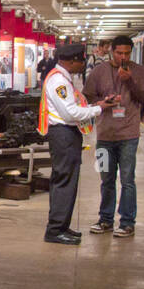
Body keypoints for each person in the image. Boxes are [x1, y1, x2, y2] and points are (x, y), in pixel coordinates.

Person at [39, 42, 119, 245]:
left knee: (68, 181)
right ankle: (55, 230)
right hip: (63, 134)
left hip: (67, 134)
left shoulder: (63, 78)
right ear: (71, 61)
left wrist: (96, 105)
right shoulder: (59, 81)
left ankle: (62, 226)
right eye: (81, 60)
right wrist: (99, 109)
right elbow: (70, 113)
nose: (83, 64)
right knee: (64, 182)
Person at [83, 34, 144, 237]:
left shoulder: (139, 72)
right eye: (119, 53)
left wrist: (130, 82)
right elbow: (87, 97)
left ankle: (127, 222)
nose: (122, 56)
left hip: (129, 136)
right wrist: (103, 101)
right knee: (106, 179)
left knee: (127, 180)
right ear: (111, 52)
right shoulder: (99, 71)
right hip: (105, 135)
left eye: (126, 53)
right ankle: (105, 219)